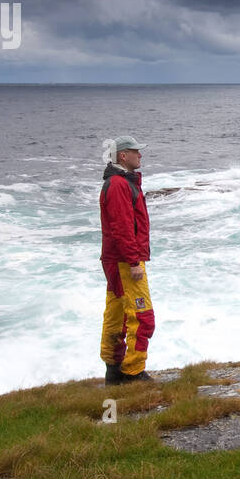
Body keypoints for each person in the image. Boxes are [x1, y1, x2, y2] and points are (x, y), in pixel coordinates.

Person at [99, 136, 155, 383]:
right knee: (142, 317)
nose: (140, 156)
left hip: (116, 259)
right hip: (124, 261)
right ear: (123, 156)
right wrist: (134, 262)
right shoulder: (120, 185)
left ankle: (113, 371)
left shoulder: (119, 182)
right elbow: (122, 227)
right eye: (135, 152)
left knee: (117, 315)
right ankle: (132, 372)